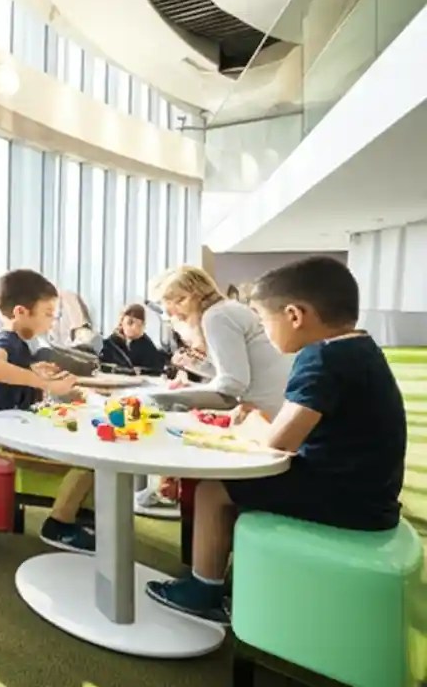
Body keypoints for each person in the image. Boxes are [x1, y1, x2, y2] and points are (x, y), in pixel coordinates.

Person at [147, 256, 406, 624]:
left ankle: (202, 590)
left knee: (212, 490)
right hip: (369, 489)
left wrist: (253, 421)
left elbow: (279, 443)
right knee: (238, 484)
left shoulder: (321, 359)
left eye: (264, 322)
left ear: (294, 315)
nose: (265, 333)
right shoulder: (359, 348)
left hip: (350, 499)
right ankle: (225, 571)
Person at [0, 269, 95, 553]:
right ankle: (60, 522)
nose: (52, 320)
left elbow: (12, 374)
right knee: (93, 456)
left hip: (19, 429)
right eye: (48, 313)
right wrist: (41, 381)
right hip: (10, 442)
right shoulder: (5, 341)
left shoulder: (20, 345)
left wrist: (33, 371)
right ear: (21, 311)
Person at [146, 265, 292, 416]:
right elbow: (235, 373)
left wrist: (172, 396)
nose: (171, 312)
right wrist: (196, 369)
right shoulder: (227, 310)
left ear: (199, 296)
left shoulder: (217, 316)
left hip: (263, 413)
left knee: (150, 400)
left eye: (180, 300)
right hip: (274, 409)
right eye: (166, 304)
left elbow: (232, 384)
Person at [99, 304, 166, 376]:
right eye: (130, 323)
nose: (134, 328)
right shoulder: (110, 344)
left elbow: (156, 369)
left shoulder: (147, 346)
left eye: (139, 325)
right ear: (122, 322)